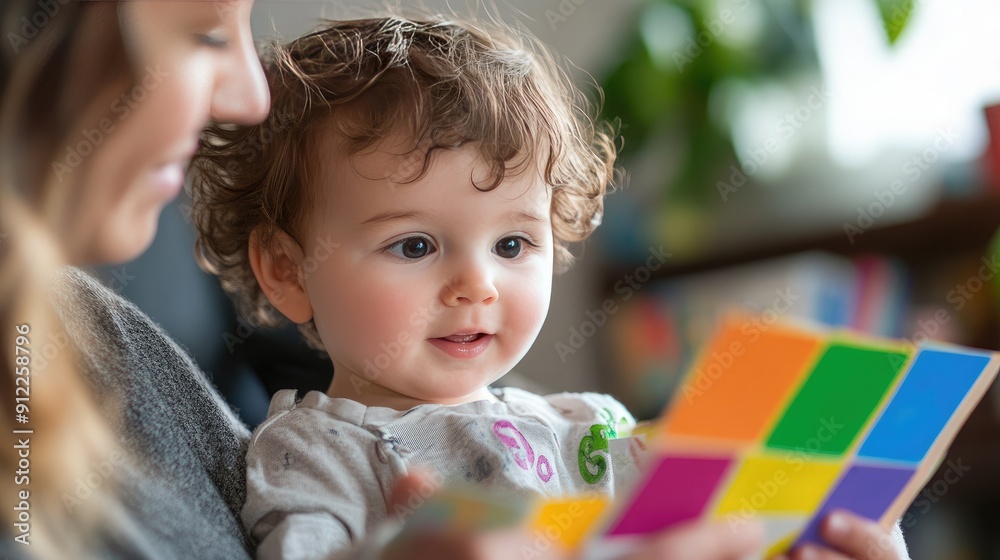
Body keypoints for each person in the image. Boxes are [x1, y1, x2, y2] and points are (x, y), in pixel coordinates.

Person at [189, 13, 909, 560]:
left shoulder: (595, 427)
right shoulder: (314, 452)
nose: (477, 284)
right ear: (286, 270)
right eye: (414, 245)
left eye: (511, 243)